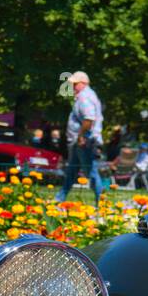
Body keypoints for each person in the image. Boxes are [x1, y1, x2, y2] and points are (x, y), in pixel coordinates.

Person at [56, 70, 104, 205]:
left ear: (83, 83)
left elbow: (89, 119)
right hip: (80, 141)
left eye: (75, 84)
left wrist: (81, 136)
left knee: (91, 173)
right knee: (71, 171)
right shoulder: (86, 96)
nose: (72, 87)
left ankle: (102, 202)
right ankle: (59, 198)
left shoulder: (85, 97)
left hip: (84, 142)